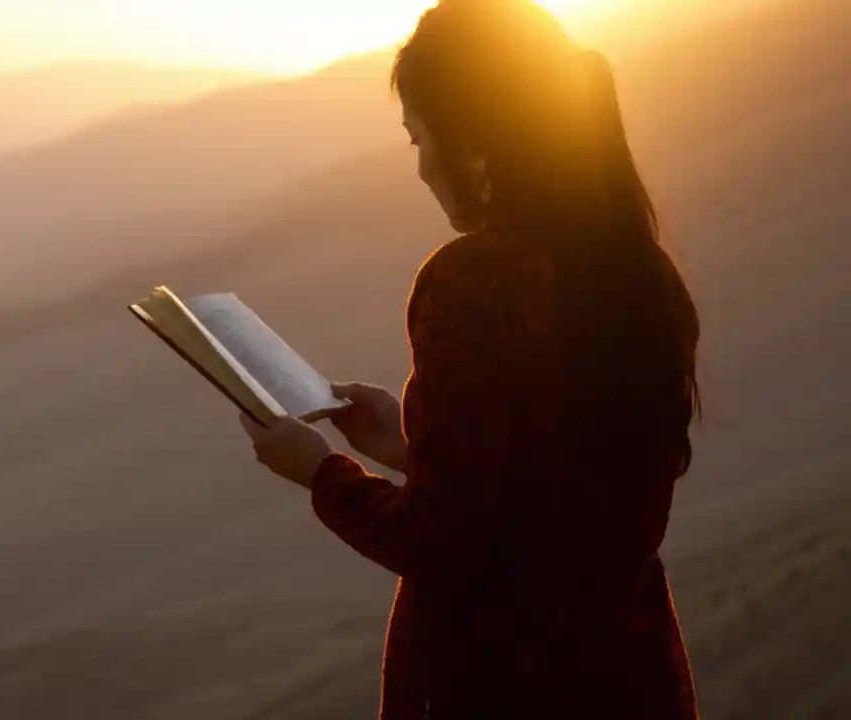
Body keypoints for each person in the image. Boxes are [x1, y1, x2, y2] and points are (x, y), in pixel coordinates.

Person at [237, 1, 701, 717]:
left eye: (419, 138)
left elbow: (442, 544)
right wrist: (408, 447)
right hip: (630, 673)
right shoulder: (642, 275)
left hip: (509, 686)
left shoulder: (471, 285)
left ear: (477, 146)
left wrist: (320, 471)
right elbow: (549, 496)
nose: (420, 167)